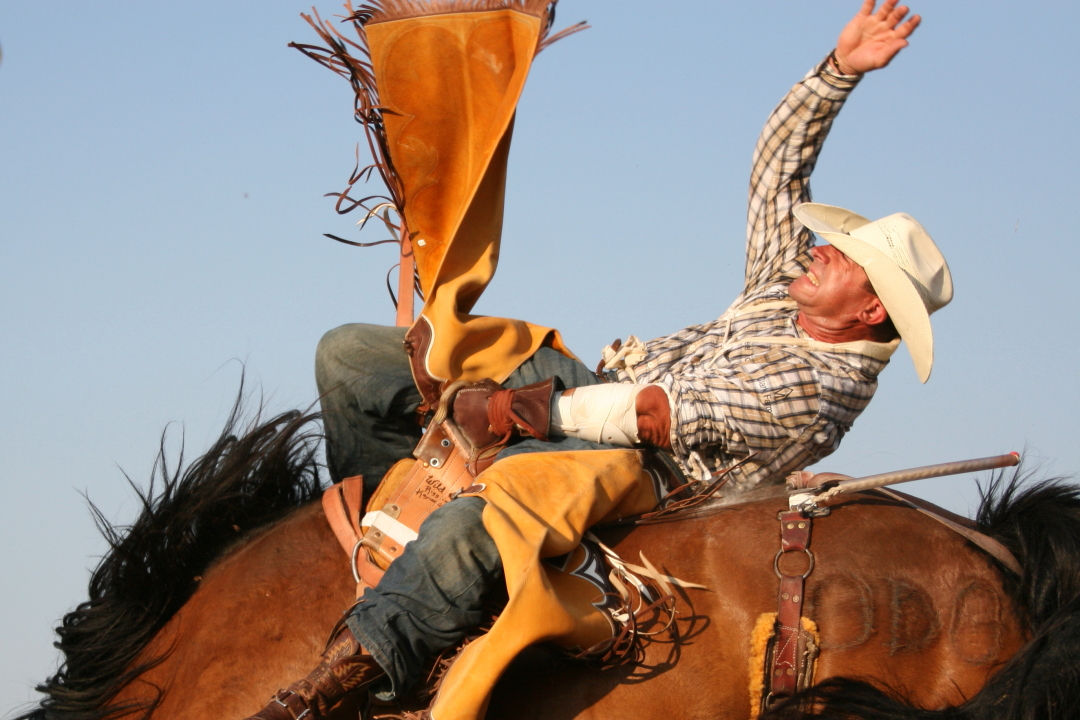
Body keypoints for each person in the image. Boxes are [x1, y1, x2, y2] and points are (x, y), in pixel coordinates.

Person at [246, 2, 950, 719]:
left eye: (851, 259)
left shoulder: (820, 389)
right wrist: (838, 72)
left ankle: (353, 674)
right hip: (599, 395)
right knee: (353, 359)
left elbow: (654, 416)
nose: (826, 247)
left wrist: (514, 408)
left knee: (481, 523)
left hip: (651, 471)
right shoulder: (787, 294)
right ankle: (382, 548)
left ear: (869, 312)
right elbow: (776, 171)